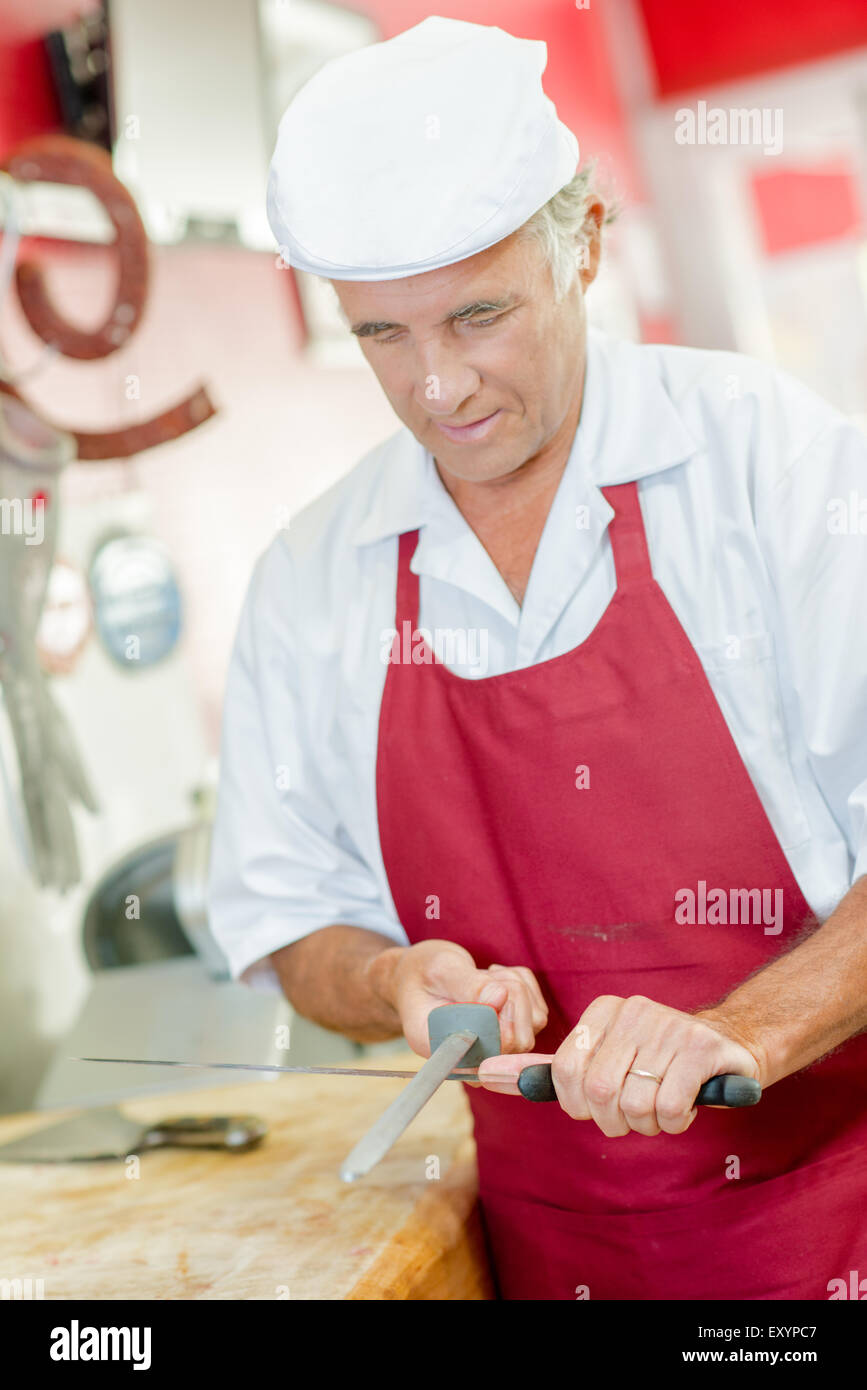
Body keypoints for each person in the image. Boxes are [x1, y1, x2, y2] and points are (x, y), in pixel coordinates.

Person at [207, 17, 867, 1300]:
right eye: (382, 337)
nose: (439, 386)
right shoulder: (314, 573)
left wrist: (739, 1029)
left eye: (477, 314)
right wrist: (395, 975)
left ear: (589, 246)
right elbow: (289, 917)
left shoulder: (775, 468)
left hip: (833, 1227)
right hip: (550, 1245)